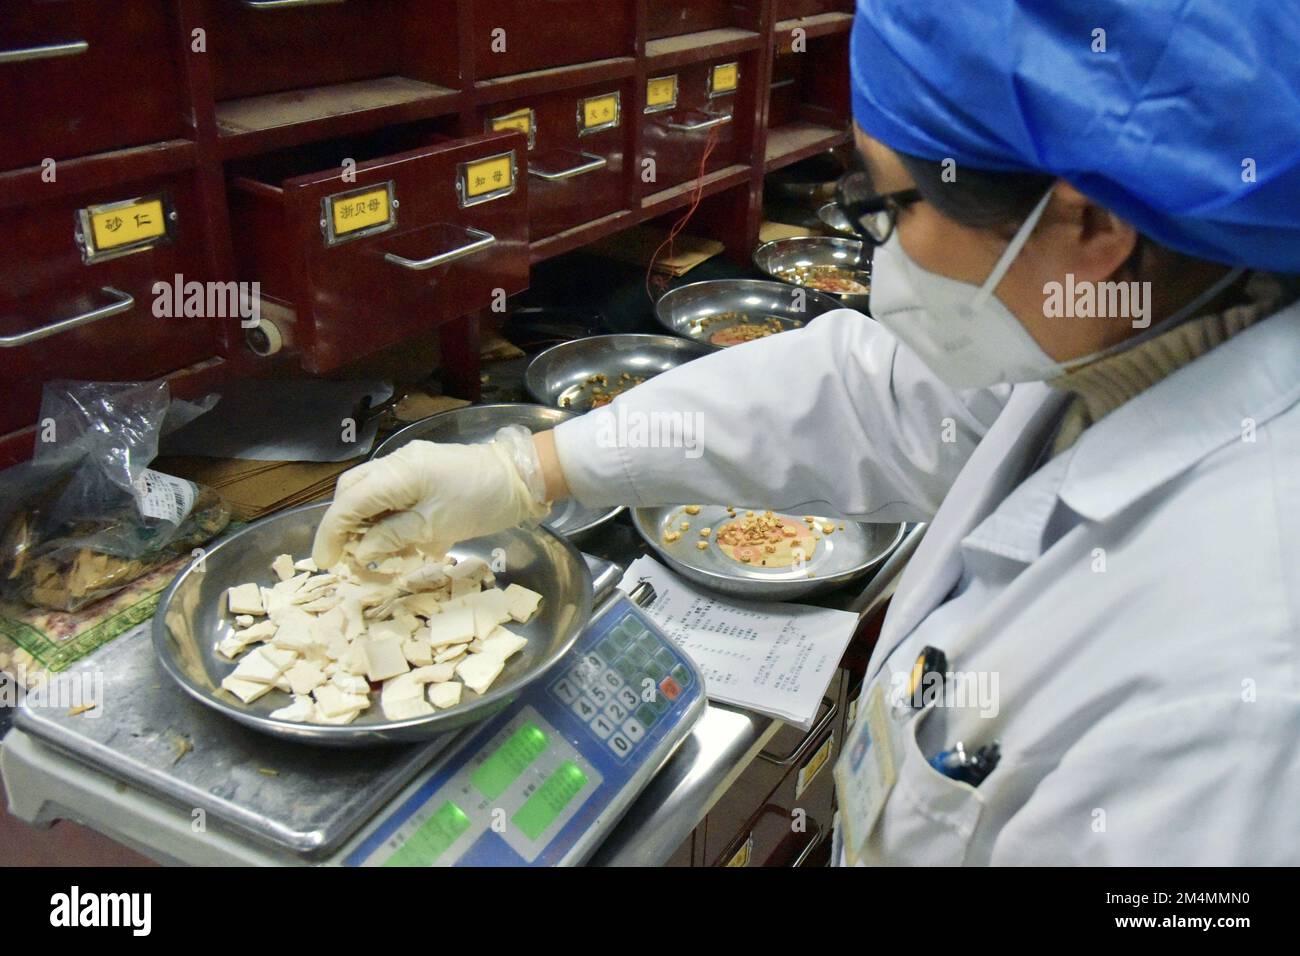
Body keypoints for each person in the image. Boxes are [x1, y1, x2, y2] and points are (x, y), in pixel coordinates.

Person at [314, 0, 1300, 864]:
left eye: (894, 205)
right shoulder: (1127, 324)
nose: (880, 255)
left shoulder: (1227, 693)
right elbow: (872, 396)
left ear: (1090, 227)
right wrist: (532, 465)